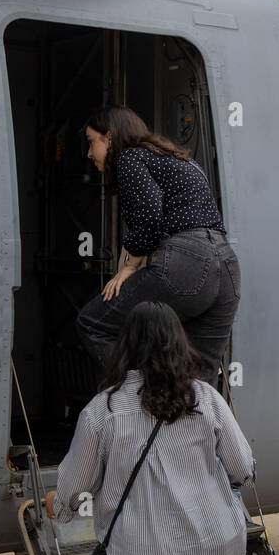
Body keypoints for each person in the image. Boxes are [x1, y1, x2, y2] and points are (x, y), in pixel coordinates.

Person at [46, 301, 254, 555]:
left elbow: (74, 488)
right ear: (179, 343)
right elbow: (242, 468)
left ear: (126, 346)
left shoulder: (102, 410)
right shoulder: (205, 398)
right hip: (209, 543)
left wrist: (58, 507)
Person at [75, 105, 240, 384]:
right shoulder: (179, 159)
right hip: (227, 269)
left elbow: (149, 215)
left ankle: (136, 399)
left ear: (111, 138)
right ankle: (191, 426)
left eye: (92, 142)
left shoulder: (130, 158)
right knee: (200, 374)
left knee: (92, 324)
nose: (89, 153)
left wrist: (130, 265)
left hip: (187, 261)